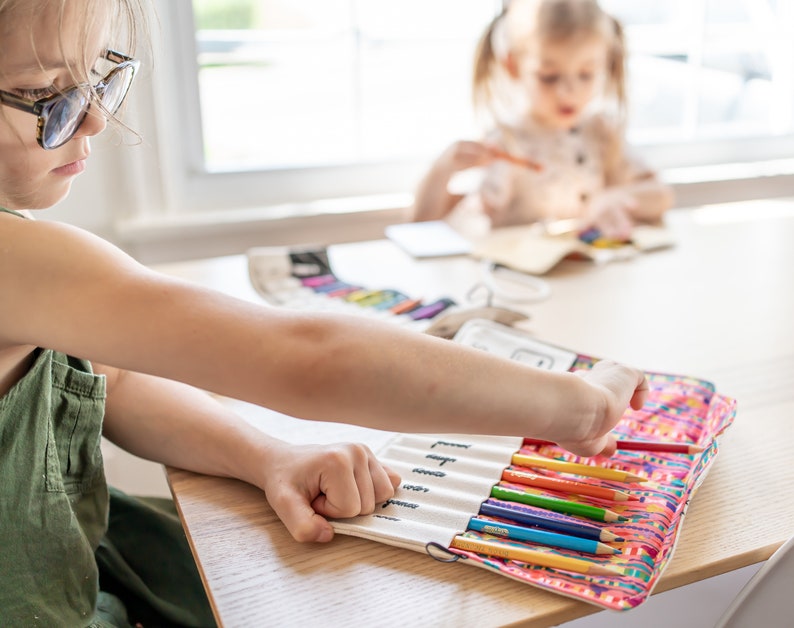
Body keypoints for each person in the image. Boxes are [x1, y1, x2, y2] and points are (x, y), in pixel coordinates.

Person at [0, 0, 649, 625]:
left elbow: (112, 380)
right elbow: (310, 360)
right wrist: (579, 407)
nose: (92, 121)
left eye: (98, 77)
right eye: (46, 94)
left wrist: (265, 455)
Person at [410, 0, 674, 242]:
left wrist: (617, 197)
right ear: (513, 65)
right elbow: (423, 230)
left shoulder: (602, 133)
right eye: (549, 76)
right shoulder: (505, 144)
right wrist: (442, 170)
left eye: (586, 74)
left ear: (607, 63)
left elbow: (661, 196)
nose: (568, 91)